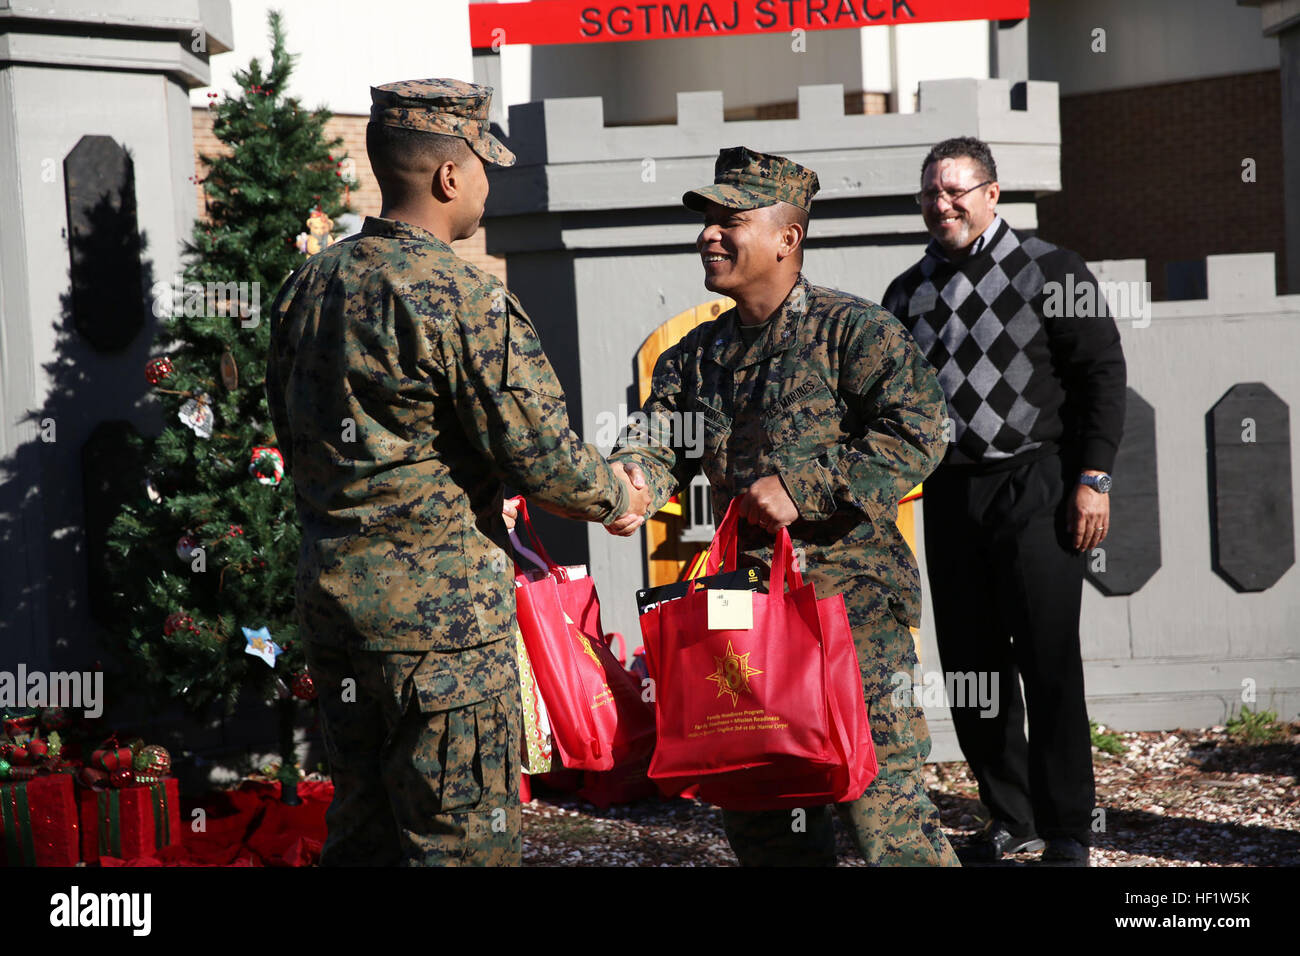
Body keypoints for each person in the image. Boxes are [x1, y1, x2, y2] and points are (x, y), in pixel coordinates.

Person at [265, 78, 650, 866]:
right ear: (449, 176)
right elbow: (542, 459)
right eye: (484, 168)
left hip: (335, 611)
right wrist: (618, 495)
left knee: (364, 832)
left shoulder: (305, 287)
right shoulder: (461, 296)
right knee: (460, 845)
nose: (485, 185)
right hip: (439, 633)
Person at [611, 146, 960, 866]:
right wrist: (626, 488)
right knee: (763, 813)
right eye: (705, 222)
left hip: (849, 607)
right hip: (743, 612)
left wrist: (808, 488)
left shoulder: (852, 332)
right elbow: (656, 446)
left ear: (786, 238)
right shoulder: (694, 355)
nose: (708, 235)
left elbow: (923, 430)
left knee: (881, 812)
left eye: (728, 220)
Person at [882, 136, 1126, 867]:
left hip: (1040, 485)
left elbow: (1102, 378)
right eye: (930, 192)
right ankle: (1009, 819)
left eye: (956, 190)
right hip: (950, 495)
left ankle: (1069, 830)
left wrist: (1095, 479)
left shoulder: (1054, 270)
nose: (941, 204)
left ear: (993, 193)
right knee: (972, 666)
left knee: (1048, 661)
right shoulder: (906, 292)